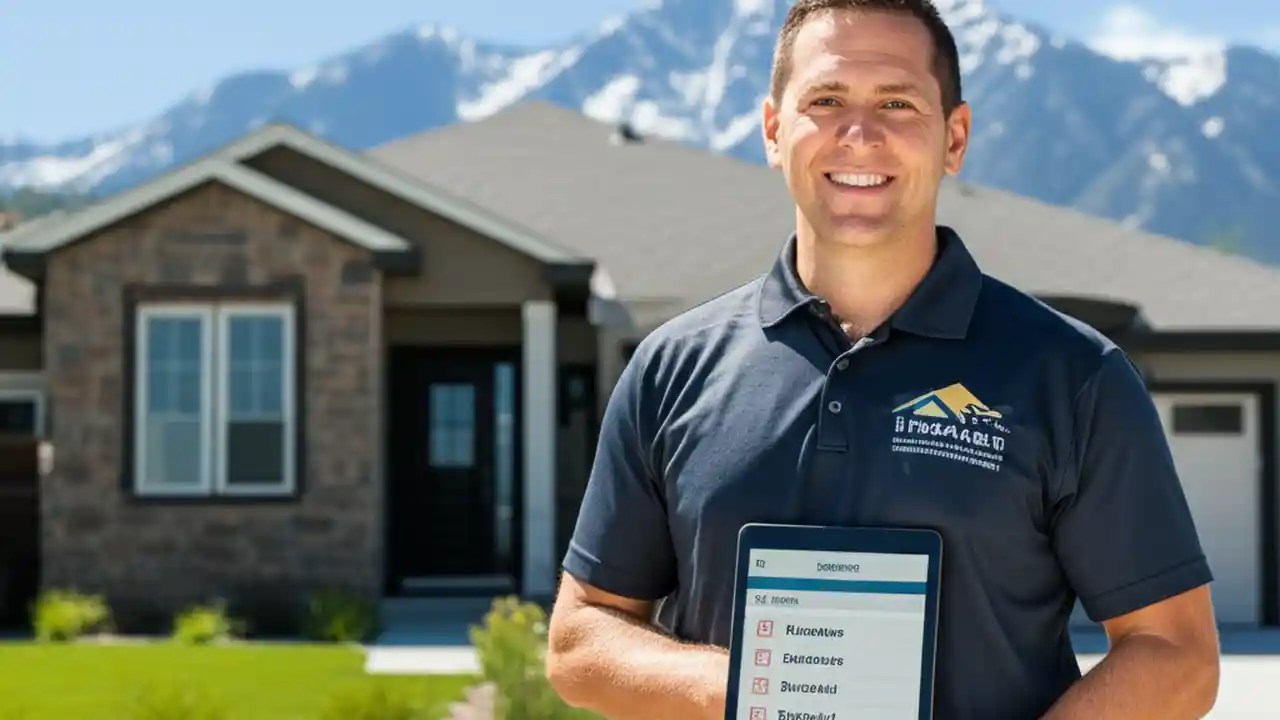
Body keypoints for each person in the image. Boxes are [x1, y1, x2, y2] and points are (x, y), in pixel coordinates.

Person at [544, 0, 1222, 717]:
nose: (860, 135)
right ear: (773, 130)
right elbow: (579, 639)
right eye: (826, 100)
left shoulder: (1074, 377)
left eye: (897, 103)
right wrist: (749, 683)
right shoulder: (671, 371)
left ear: (954, 138)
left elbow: (1176, 652)